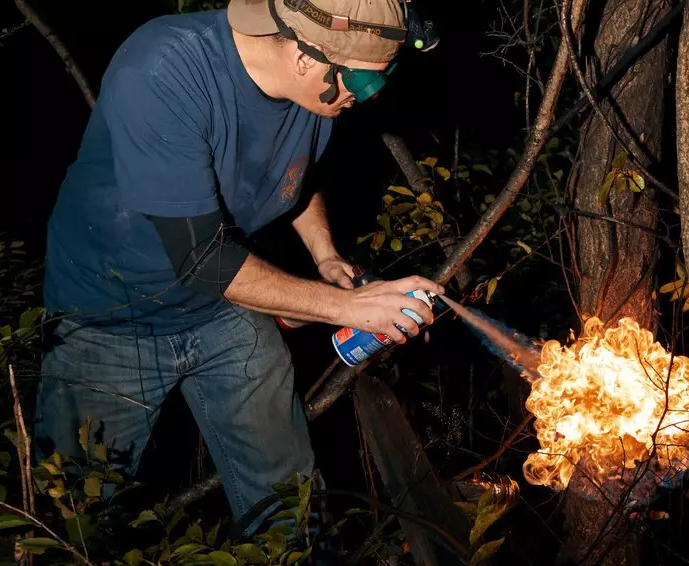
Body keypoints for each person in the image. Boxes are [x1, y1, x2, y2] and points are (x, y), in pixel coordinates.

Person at [34, 0, 443, 534]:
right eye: (359, 85)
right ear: (304, 57)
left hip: (219, 307)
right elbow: (201, 257)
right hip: (109, 317)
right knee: (75, 516)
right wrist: (348, 308)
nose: (359, 100)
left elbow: (300, 174)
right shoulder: (162, 70)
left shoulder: (313, 94)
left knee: (288, 495)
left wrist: (325, 257)